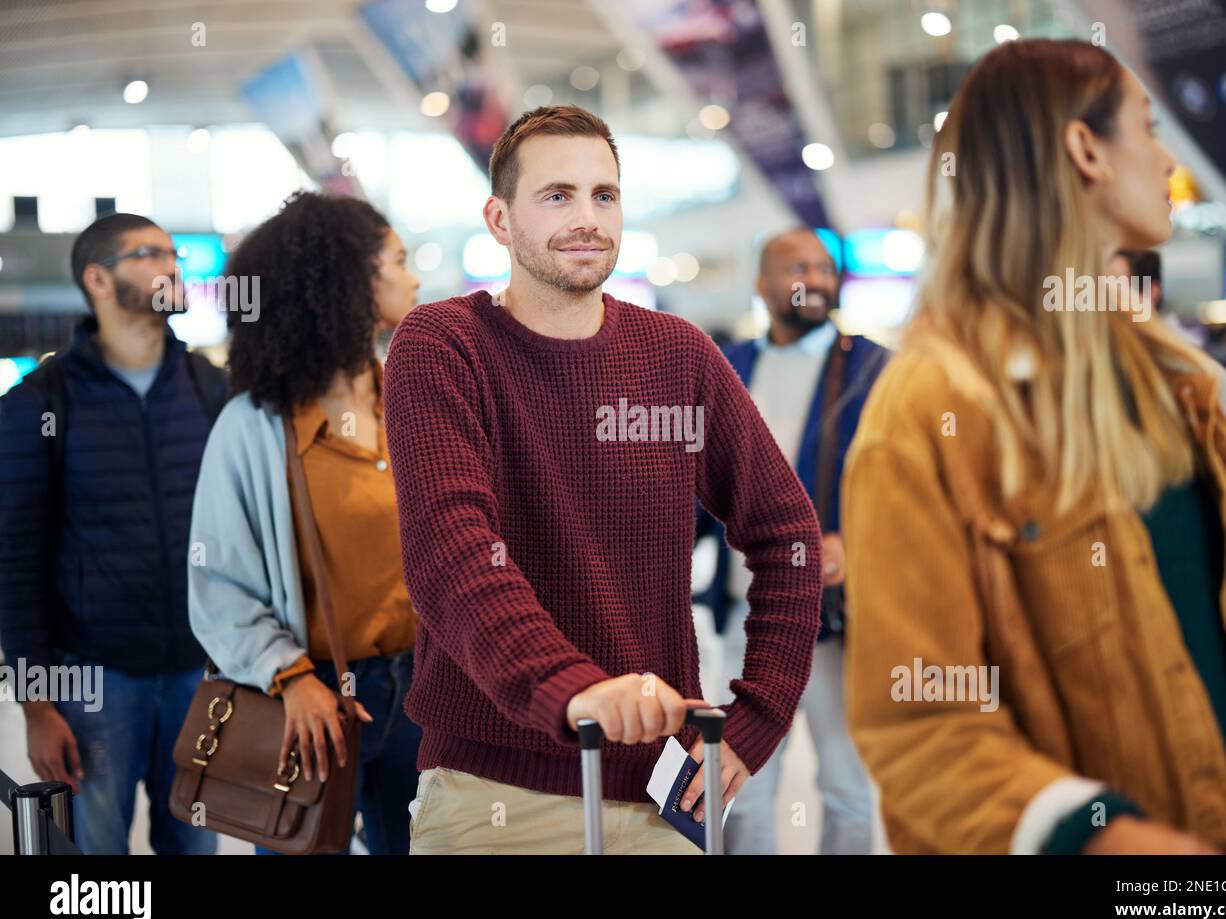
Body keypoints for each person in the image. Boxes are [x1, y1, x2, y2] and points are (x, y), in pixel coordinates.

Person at [842, 38, 1226, 854]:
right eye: (1148, 129)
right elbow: (920, 727)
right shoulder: (928, 414)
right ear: (1085, 149)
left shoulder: (1182, 385)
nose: (1167, 159)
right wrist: (1103, 838)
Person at [387, 105, 824, 854]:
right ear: (499, 219)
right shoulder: (442, 346)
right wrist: (571, 688)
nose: (587, 218)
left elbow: (787, 535)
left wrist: (756, 722)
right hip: (495, 799)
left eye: (604, 196)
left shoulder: (677, 355)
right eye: (557, 196)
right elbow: (451, 553)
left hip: (660, 799)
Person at [187, 191, 423, 854]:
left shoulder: (414, 399)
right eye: (399, 262)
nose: (415, 278)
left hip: (427, 690)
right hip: (310, 700)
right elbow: (219, 582)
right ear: (350, 281)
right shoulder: (254, 428)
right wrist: (290, 678)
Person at [0, 213, 226, 854]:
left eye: (172, 253)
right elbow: (14, 562)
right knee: (97, 866)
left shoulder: (209, 390)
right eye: (149, 254)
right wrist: (37, 707)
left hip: (197, 672)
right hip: (94, 682)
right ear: (99, 279)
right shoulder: (41, 403)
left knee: (195, 846)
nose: (171, 266)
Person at [697, 227, 887, 854]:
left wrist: (855, 542)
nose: (815, 279)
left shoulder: (873, 369)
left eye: (824, 268)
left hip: (833, 618)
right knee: (740, 786)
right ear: (762, 284)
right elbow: (695, 482)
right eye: (797, 267)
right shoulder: (730, 367)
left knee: (845, 784)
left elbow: (904, 487)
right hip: (745, 613)